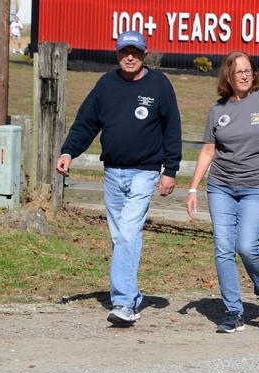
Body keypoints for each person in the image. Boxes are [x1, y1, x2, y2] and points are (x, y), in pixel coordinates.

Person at [56, 31, 182, 325]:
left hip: (145, 172)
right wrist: (68, 153)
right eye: (125, 52)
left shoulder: (159, 84)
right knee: (120, 236)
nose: (130, 57)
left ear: (144, 54)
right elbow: (86, 123)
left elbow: (172, 128)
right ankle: (132, 294)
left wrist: (170, 169)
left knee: (127, 233)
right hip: (113, 172)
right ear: (117, 54)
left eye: (135, 52)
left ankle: (124, 304)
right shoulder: (106, 85)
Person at [185, 51, 259, 334]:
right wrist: (193, 187)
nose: (245, 75)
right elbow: (209, 150)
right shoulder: (217, 109)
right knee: (223, 249)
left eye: (249, 70)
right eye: (239, 72)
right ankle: (233, 312)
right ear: (229, 77)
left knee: (246, 246)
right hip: (221, 187)